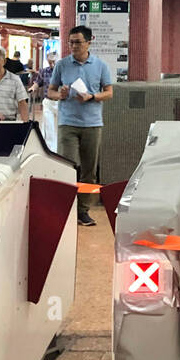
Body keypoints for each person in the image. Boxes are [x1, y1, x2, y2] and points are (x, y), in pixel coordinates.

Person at [47, 25, 114, 226]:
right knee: (67, 165)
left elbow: (109, 92)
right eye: (70, 42)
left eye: (77, 42)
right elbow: (50, 91)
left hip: (92, 124)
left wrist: (92, 96)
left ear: (88, 42)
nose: (73, 46)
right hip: (68, 123)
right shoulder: (62, 65)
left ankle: (82, 210)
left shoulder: (100, 65)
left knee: (89, 170)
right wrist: (61, 95)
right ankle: (64, 208)